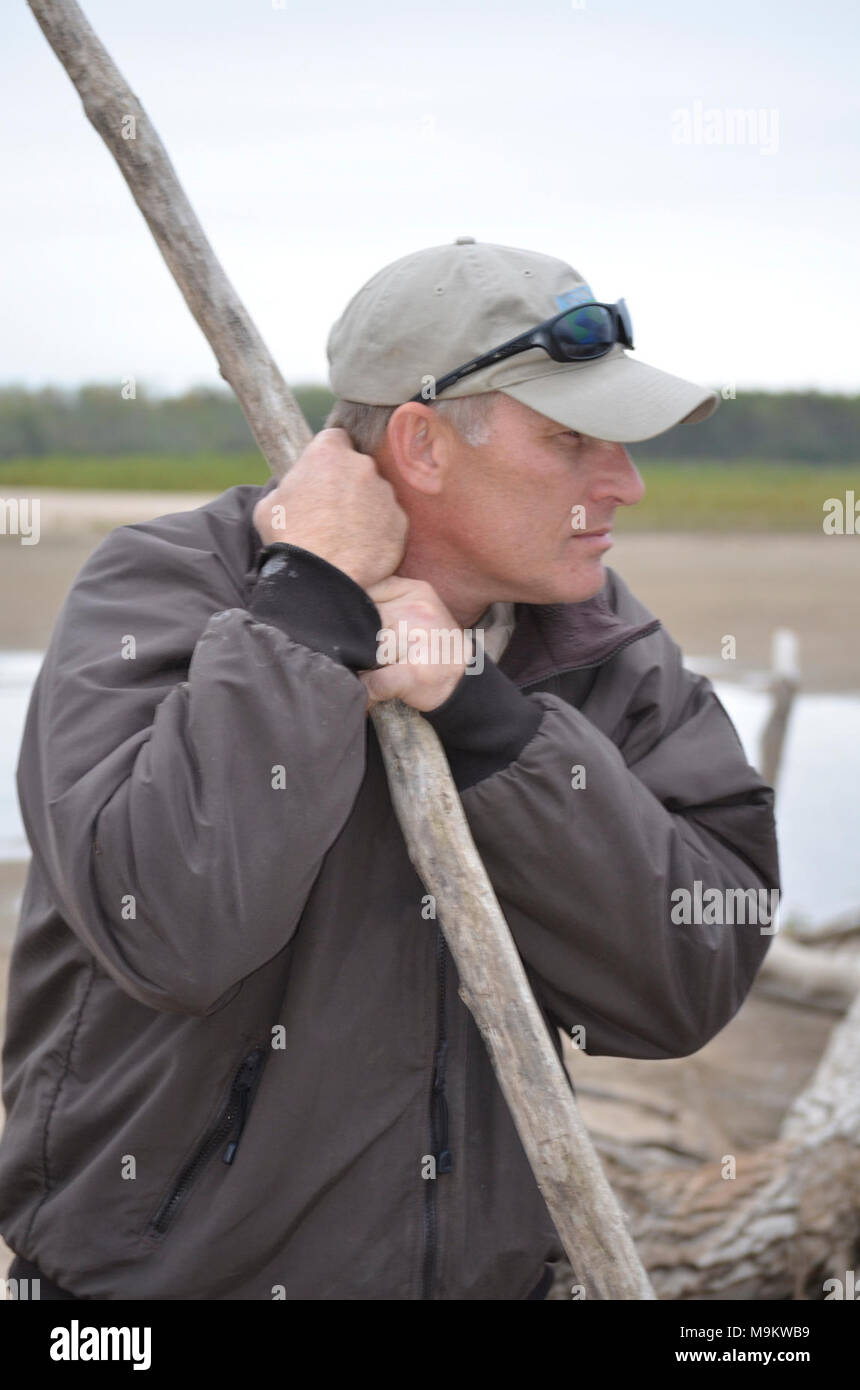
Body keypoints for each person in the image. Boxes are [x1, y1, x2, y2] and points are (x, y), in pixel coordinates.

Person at [0, 239, 779, 1300]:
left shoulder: (600, 647)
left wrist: (487, 723)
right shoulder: (165, 591)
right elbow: (170, 923)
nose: (626, 484)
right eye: (571, 441)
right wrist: (306, 610)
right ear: (420, 444)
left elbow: (685, 982)